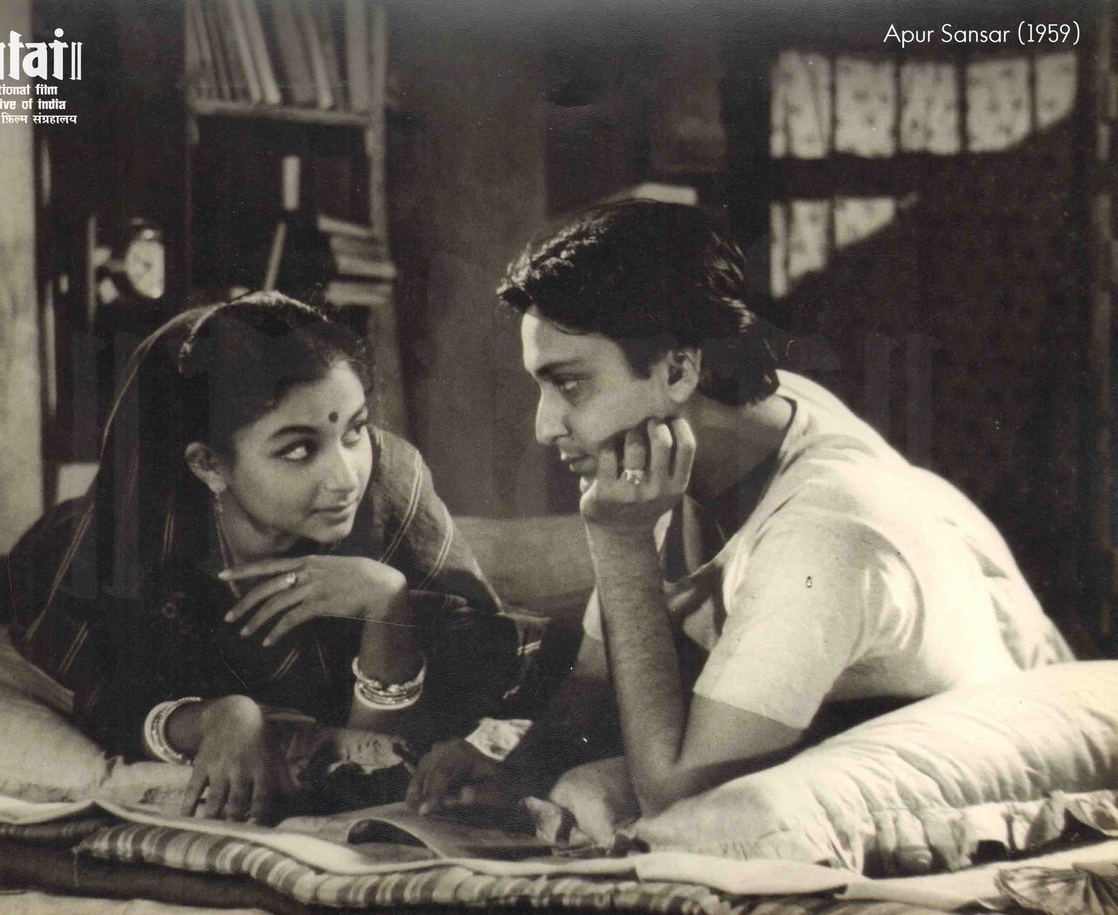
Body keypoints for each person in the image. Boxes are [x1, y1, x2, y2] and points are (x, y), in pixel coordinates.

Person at [407, 200, 1074, 821]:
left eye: (570, 384)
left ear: (678, 371)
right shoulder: (711, 428)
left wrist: (621, 544)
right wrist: (515, 767)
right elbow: (597, 676)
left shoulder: (825, 530)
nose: (544, 426)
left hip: (972, 752)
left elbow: (673, 793)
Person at [9, 292, 517, 823]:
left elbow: (376, 759)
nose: (346, 478)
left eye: (354, 431)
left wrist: (386, 603)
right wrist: (219, 717)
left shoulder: (390, 485)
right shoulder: (147, 530)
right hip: (36, 555)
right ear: (209, 465)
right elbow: (111, 696)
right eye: (298, 449)